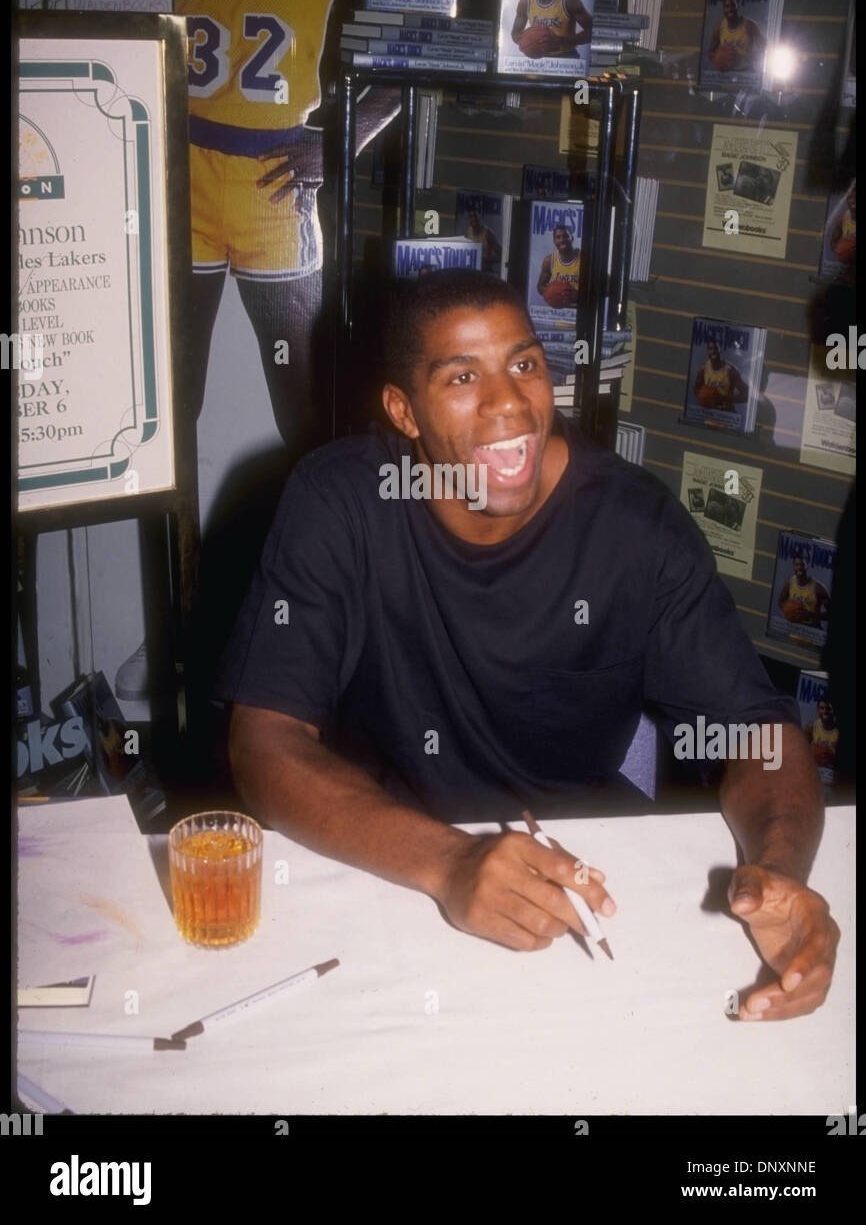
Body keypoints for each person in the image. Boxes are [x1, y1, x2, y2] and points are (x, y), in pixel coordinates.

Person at [216, 269, 839, 1020]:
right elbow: (265, 742)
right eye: (461, 376)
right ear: (402, 411)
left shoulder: (633, 526)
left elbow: (759, 735)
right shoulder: (340, 501)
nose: (508, 402)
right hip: (387, 860)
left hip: (585, 881)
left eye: (524, 364)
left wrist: (775, 876)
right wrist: (450, 863)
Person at [80, 0, 399, 699]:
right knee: (167, 420)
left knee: (314, 430)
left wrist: (343, 137)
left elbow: (416, 32)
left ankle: (323, 648)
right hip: (178, 176)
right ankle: (180, 640)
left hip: (274, 185)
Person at [707, 0, 766, 76]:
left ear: (737, 6)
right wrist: (720, 58)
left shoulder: (749, 25)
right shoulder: (719, 28)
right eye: (727, 7)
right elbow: (710, 53)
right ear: (723, 10)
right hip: (726, 74)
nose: (730, 9)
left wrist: (743, 57)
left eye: (733, 5)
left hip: (745, 73)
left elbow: (764, 49)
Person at [693, 337, 748, 411]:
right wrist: (705, 397)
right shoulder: (703, 369)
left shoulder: (730, 371)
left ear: (720, 350)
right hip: (710, 412)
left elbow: (746, 395)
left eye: (716, 348)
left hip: (726, 413)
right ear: (707, 351)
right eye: (710, 349)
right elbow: (696, 389)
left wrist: (723, 398)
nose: (713, 351)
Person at [778, 555, 831, 628]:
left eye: (802, 564)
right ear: (793, 566)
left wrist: (810, 615)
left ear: (807, 566)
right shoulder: (789, 583)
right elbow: (780, 602)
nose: (799, 567)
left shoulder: (818, 588)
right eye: (797, 565)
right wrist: (790, 611)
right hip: (793, 626)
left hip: (812, 628)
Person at [537, 225, 580, 302]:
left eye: (565, 236)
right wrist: (553, 292)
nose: (562, 240)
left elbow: (594, 288)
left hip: (579, 308)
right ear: (554, 241)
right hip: (557, 311)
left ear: (572, 238)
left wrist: (577, 294)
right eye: (558, 237)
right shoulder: (549, 260)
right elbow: (540, 286)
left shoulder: (584, 259)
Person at [805, 699, 840, 790]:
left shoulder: (839, 731)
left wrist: (831, 756)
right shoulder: (812, 726)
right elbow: (801, 750)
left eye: (828, 709)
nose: (825, 711)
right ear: (818, 710)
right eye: (822, 708)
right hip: (815, 772)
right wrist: (812, 752)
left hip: (832, 776)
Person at [463, 207, 501, 274]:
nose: (474, 219)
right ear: (468, 219)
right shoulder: (468, 232)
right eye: (471, 216)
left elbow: (501, 256)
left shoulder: (488, 233)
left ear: (479, 217)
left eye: (475, 216)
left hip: (486, 273)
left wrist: (485, 260)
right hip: (473, 273)